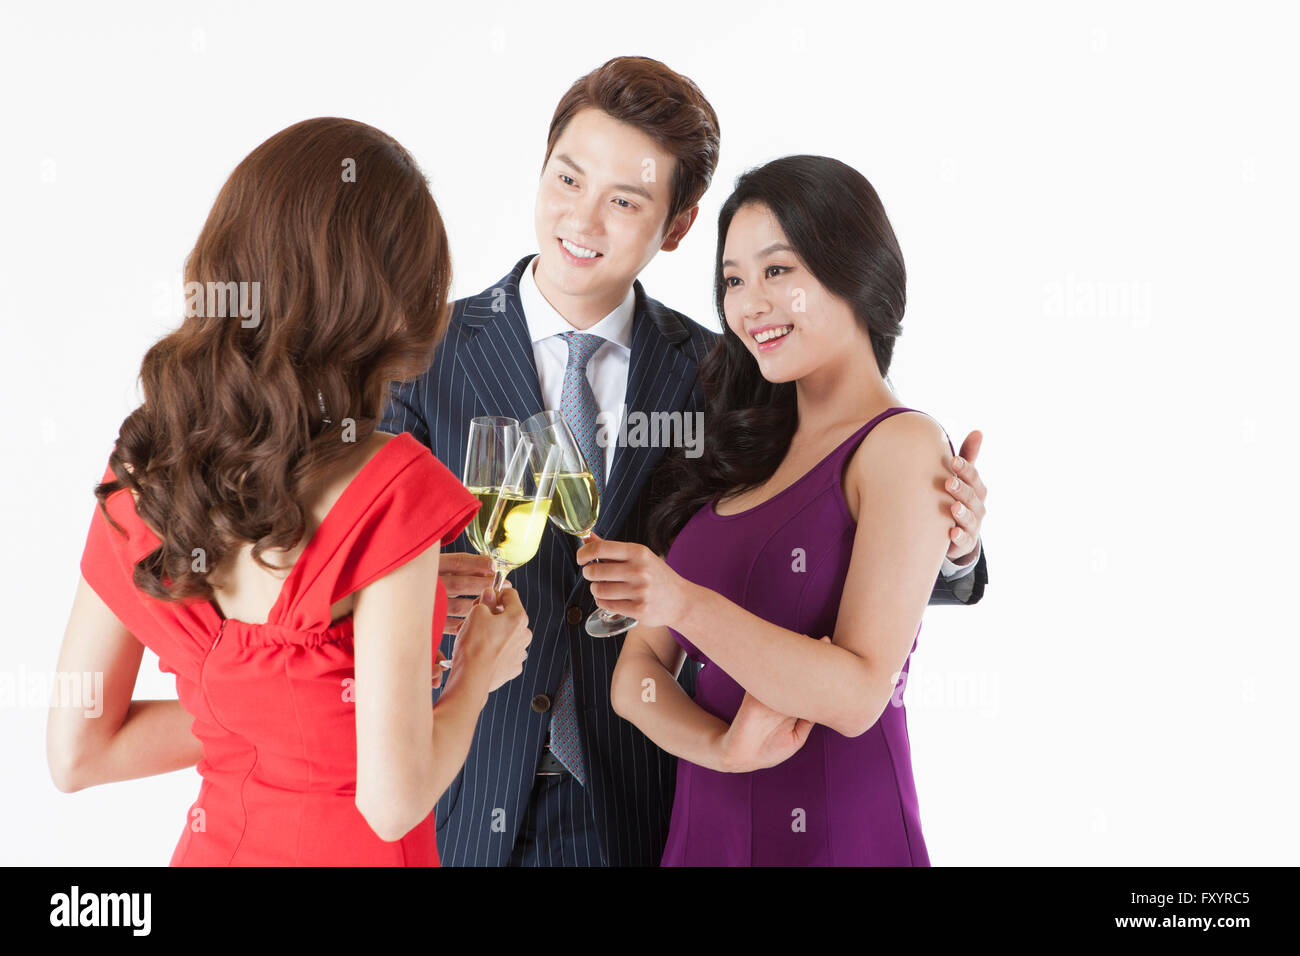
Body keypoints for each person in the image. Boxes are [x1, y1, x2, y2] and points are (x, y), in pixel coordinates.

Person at [382, 56, 989, 867]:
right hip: (466, 790)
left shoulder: (724, 376)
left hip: (653, 803)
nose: (584, 220)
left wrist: (958, 548)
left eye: (625, 201)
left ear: (676, 226)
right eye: (568, 180)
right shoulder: (420, 355)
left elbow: (823, 531)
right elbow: (345, 567)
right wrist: (417, 595)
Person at [47, 117, 532, 865]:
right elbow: (391, 801)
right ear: (386, 302)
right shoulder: (391, 486)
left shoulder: (145, 467)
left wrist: (290, 702)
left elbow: (78, 751)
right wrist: (477, 673)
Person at [588, 154, 961, 865]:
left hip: (834, 836)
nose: (749, 303)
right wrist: (721, 750)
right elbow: (636, 675)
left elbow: (856, 695)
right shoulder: (742, 445)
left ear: (855, 268)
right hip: (705, 834)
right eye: (733, 280)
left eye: (777, 271)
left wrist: (681, 603)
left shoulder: (902, 446)